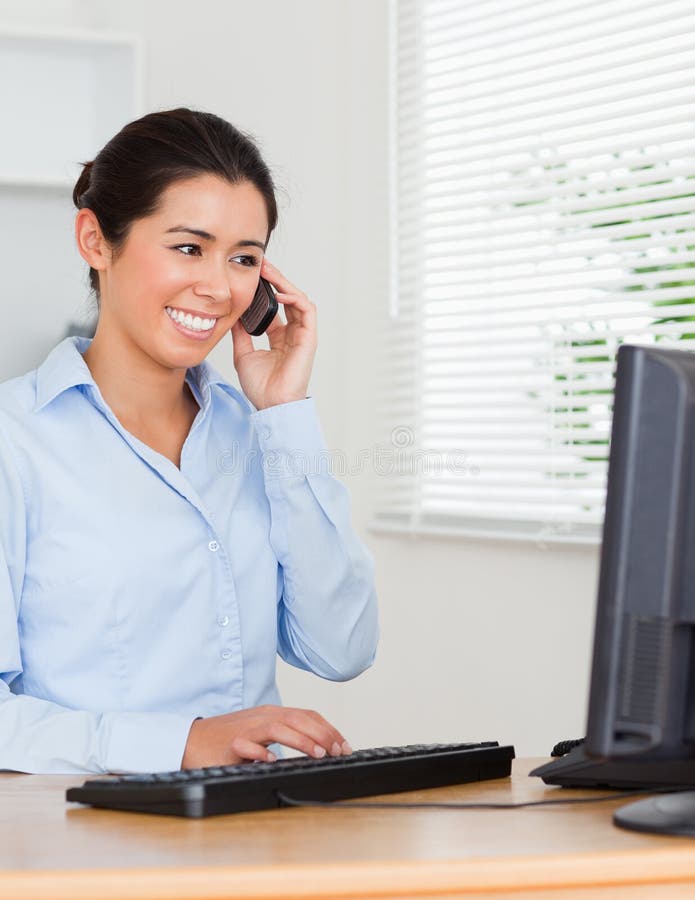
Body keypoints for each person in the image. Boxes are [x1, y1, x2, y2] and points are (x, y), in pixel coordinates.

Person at [0, 108, 378, 774]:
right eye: (187, 247)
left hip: (255, 819)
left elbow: (340, 649)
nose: (217, 287)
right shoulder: (16, 442)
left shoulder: (258, 434)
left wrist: (285, 415)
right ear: (95, 240)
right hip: (81, 828)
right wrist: (181, 743)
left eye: (243, 259)